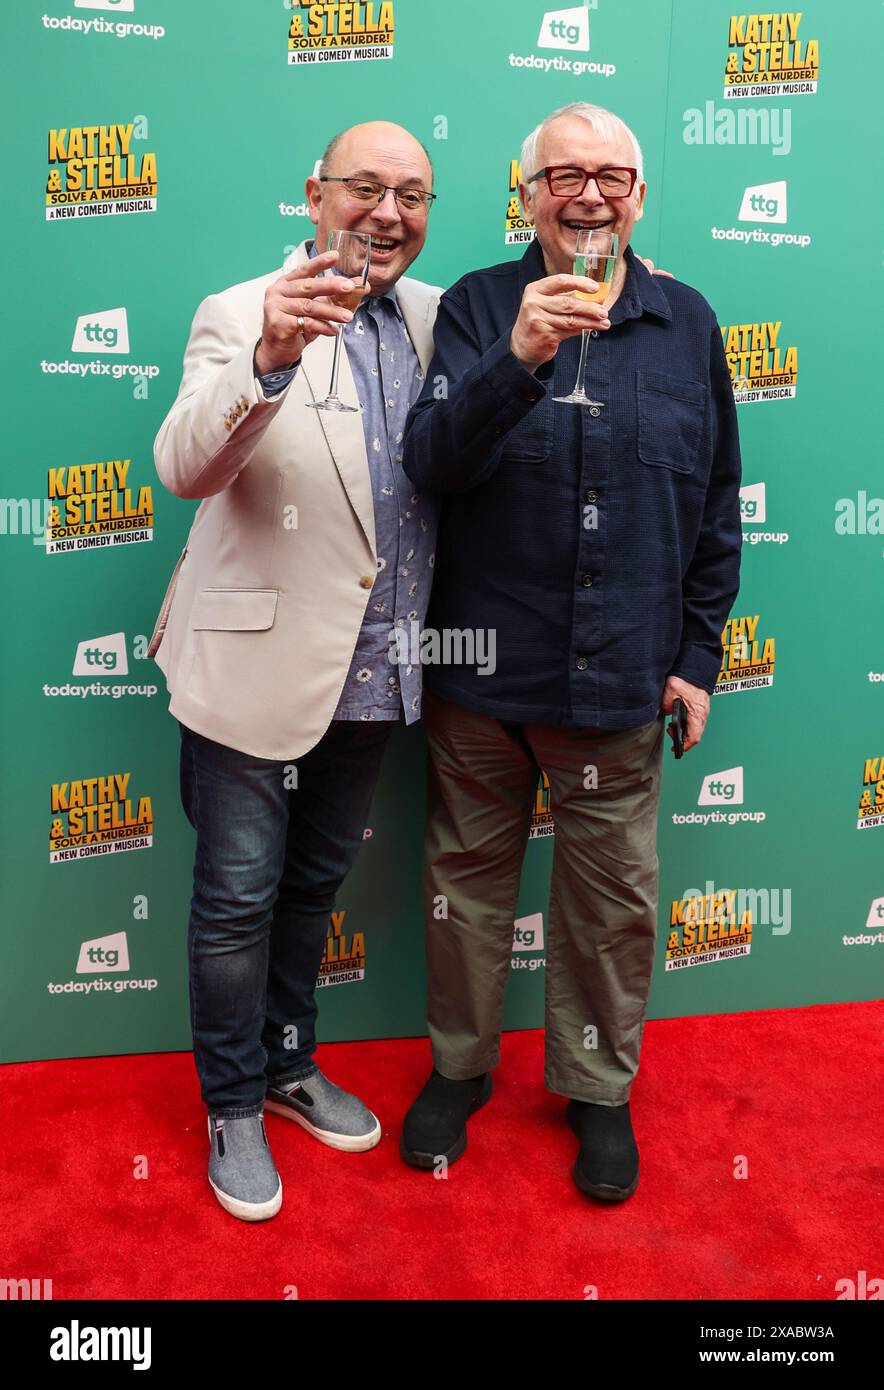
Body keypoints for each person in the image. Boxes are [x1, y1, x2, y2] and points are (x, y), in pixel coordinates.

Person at [400, 101, 742, 1202]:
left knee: (608, 907)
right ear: (527, 193)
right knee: (463, 891)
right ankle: (458, 1070)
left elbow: (716, 509)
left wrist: (695, 657)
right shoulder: (474, 307)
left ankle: (596, 1091)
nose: (585, 192)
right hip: (481, 682)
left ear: (638, 195)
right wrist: (519, 357)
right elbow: (431, 465)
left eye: (608, 174)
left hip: (620, 678)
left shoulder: (688, 323)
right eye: (561, 174)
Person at [147, 121, 441, 1222]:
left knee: (314, 888)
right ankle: (229, 1102)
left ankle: (284, 1061)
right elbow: (183, 465)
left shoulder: (433, 316)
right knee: (233, 902)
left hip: (376, 670)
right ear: (314, 195)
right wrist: (268, 359)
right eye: (364, 187)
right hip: (249, 666)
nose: (386, 213)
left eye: (410, 194)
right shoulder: (240, 310)